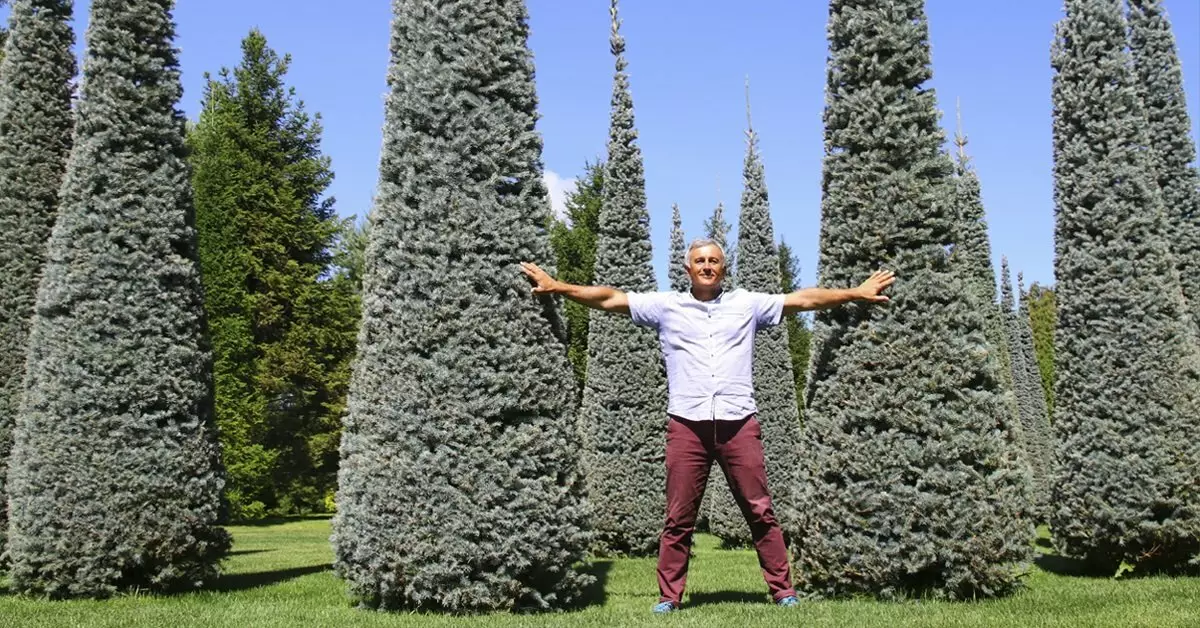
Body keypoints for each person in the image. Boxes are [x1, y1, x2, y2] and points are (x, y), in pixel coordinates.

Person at [520, 238, 895, 614]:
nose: (707, 266)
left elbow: (804, 300)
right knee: (679, 516)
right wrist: (558, 287)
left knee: (760, 510)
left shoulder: (747, 304)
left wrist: (856, 293)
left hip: (739, 423)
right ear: (688, 269)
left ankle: (783, 591)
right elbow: (610, 299)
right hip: (687, 425)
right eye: (700, 261)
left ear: (723, 269)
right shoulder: (667, 306)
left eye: (714, 260)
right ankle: (669, 597)